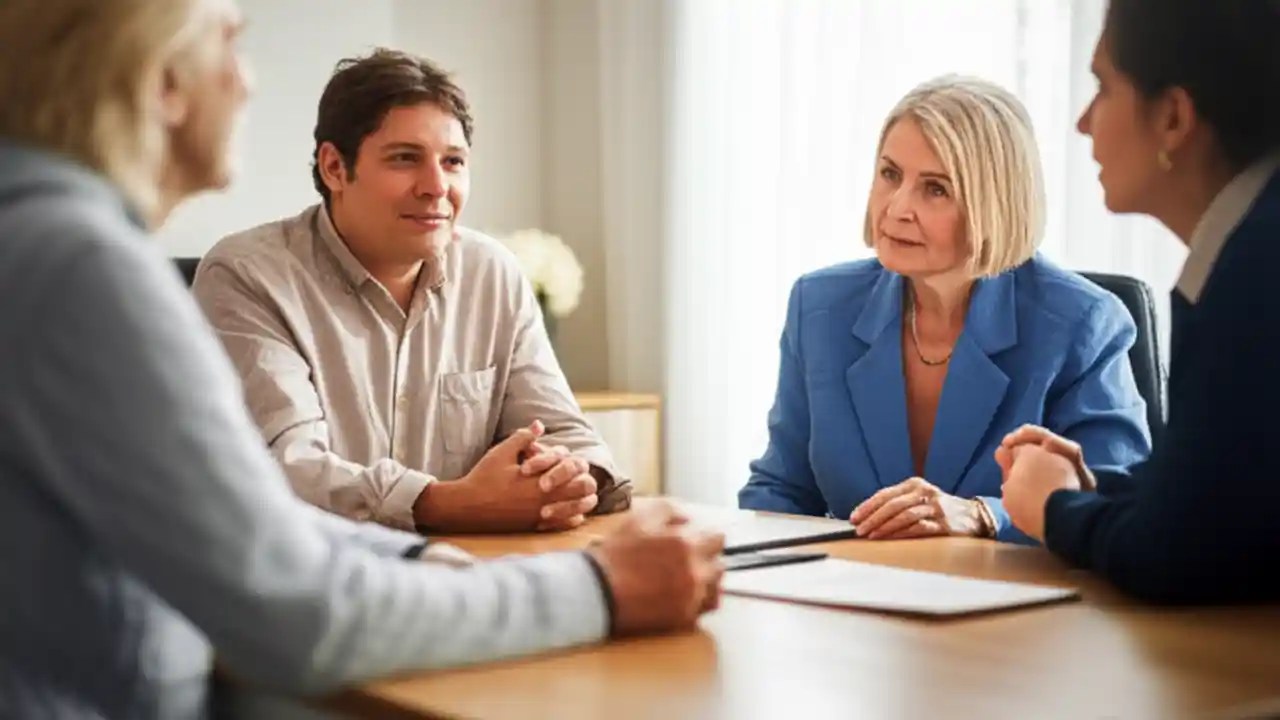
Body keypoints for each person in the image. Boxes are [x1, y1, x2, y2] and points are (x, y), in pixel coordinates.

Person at [0, 1, 724, 716]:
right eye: (230, 41)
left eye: (451, 161)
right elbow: (293, 604)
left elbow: (253, 528)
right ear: (159, 79)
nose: (250, 83)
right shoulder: (81, 268)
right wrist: (597, 587)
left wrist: (426, 559)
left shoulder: (49, 244)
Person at [191, 49, 626, 535]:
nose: (437, 186)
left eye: (453, 162)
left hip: (473, 571)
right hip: (319, 583)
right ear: (334, 167)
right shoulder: (246, 275)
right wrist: (450, 504)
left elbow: (568, 436)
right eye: (405, 159)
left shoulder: (492, 273)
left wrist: (570, 479)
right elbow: (290, 471)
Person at [739, 76, 1150, 543]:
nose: (896, 209)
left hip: (1018, 605)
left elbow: (1114, 502)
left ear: (992, 203)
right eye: (890, 174)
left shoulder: (1083, 324)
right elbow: (780, 488)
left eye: (935, 189)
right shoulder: (818, 307)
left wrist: (984, 515)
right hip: (857, 599)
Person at [999, 0, 1280, 601]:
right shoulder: (1247, 245)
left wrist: (1052, 509)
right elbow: (1221, 492)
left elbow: (1178, 550)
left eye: (1102, 86)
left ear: (1173, 118)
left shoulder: (1255, 271)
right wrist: (1093, 490)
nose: (1081, 122)